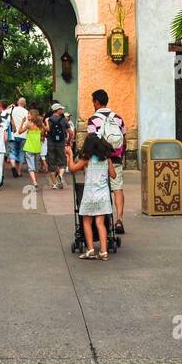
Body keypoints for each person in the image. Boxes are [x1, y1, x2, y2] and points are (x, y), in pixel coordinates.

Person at [67, 132, 115, 260]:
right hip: (103, 194)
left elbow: (72, 169)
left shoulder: (86, 159)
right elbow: (113, 175)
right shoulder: (107, 159)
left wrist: (70, 155)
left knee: (87, 221)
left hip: (90, 194)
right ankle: (104, 251)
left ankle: (91, 249)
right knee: (100, 223)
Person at [88, 89, 128, 235]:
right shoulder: (118, 118)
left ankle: (101, 220)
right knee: (117, 189)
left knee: (100, 189)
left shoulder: (93, 120)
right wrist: (119, 156)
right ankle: (119, 220)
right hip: (116, 159)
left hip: (100, 161)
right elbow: (124, 140)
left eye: (93, 101)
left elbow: (91, 142)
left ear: (97, 102)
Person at [45, 102, 70, 189]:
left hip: (51, 143)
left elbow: (46, 131)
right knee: (62, 162)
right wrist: (69, 141)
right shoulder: (63, 120)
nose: (62, 110)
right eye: (61, 109)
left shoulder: (48, 120)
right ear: (57, 110)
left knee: (51, 163)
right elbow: (70, 132)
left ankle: (55, 183)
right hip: (61, 143)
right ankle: (60, 176)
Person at [23, 107, 45, 189]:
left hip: (29, 148)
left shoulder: (28, 124)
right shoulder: (40, 125)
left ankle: (34, 182)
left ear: (32, 115)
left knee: (31, 167)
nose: (28, 115)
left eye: (29, 114)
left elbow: (20, 131)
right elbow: (44, 132)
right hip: (37, 148)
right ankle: (35, 182)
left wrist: (22, 123)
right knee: (35, 168)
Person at [8, 97, 29, 177]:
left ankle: (13, 166)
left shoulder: (12, 109)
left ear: (17, 102)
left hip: (13, 134)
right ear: (25, 104)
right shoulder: (27, 112)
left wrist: (10, 106)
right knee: (21, 152)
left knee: (12, 151)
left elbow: (3, 113)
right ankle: (19, 171)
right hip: (23, 135)